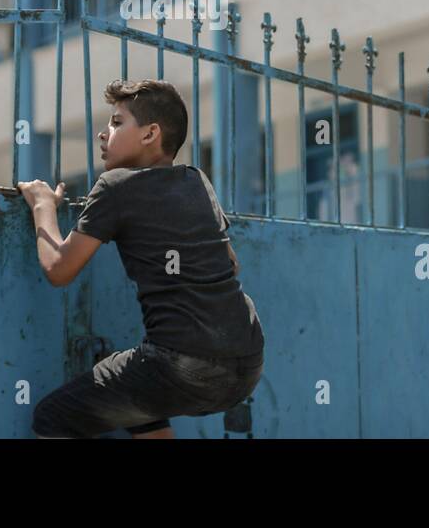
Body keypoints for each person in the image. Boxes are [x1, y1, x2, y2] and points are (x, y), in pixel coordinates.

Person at [18, 78, 265, 439]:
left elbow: (59, 269)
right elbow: (230, 263)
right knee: (127, 383)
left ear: (151, 134)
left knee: (53, 417)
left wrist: (43, 206)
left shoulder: (116, 185)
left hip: (181, 365)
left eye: (117, 123)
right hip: (247, 361)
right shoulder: (198, 181)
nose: (104, 134)